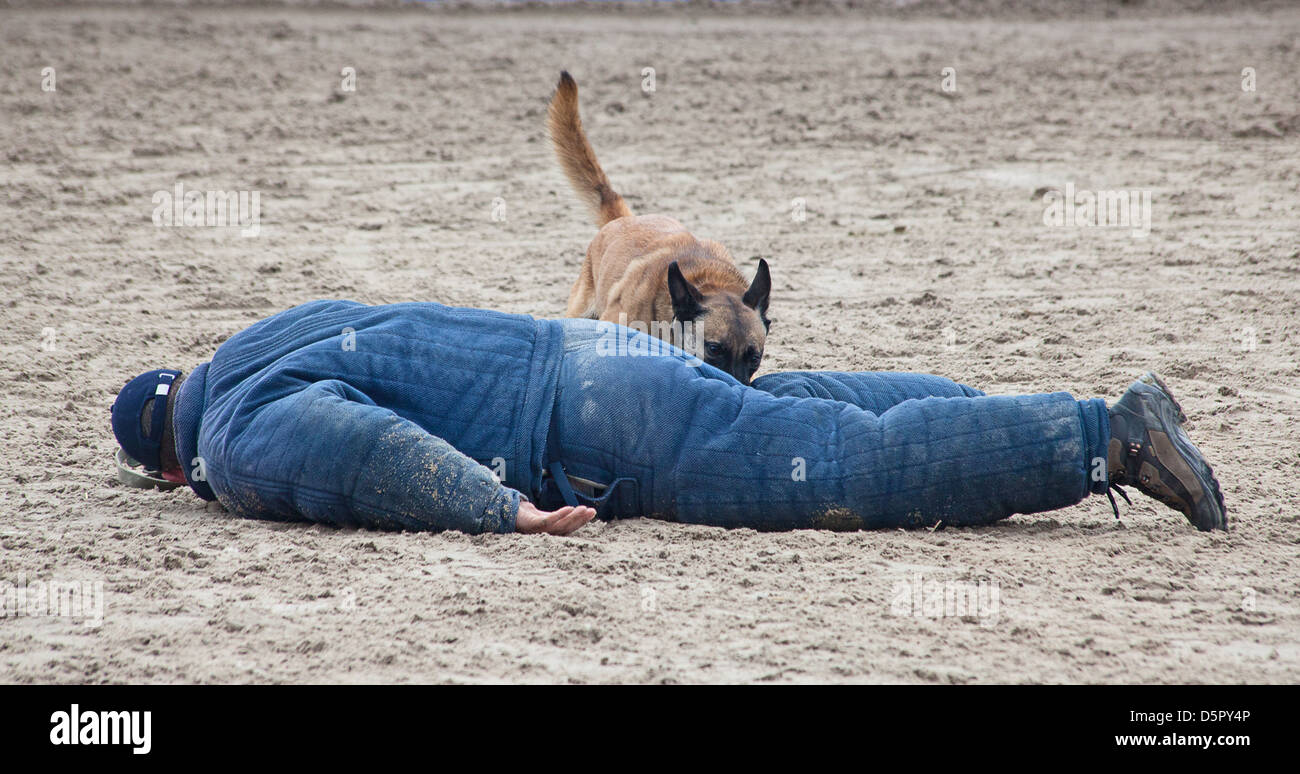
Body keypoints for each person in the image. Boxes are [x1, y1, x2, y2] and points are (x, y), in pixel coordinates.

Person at [110, 299, 1225, 536]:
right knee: (798, 402)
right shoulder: (262, 336)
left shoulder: (232, 433)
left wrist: (500, 512)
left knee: (844, 467)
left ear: (170, 467)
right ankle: (1034, 418)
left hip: (589, 425)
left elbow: (356, 453)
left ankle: (1101, 434)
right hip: (596, 348)